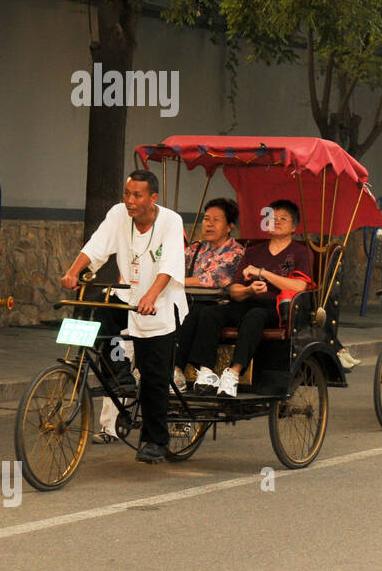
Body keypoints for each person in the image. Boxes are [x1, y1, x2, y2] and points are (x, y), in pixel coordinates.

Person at [61, 170, 187, 464]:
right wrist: (72, 272)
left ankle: (156, 440)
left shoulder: (170, 221)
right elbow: (96, 247)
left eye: (137, 195)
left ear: (153, 198)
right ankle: (119, 378)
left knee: (154, 374)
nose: (130, 201)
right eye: (127, 194)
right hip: (127, 297)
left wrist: (151, 296)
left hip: (161, 304)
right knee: (94, 314)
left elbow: (169, 266)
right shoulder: (118, 214)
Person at [182, 199, 313, 398]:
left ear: (294, 226)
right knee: (210, 313)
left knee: (255, 315)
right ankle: (206, 372)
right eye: (272, 218)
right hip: (247, 300)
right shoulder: (253, 251)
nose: (275, 222)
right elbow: (234, 290)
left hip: (277, 307)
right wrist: (249, 290)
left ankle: (233, 373)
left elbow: (299, 286)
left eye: (283, 219)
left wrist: (263, 273)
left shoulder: (300, 252)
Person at [172, 197, 246, 390]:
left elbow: (215, 279)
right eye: (206, 219)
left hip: (220, 304)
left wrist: (176, 281)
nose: (209, 224)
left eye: (216, 220)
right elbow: (173, 268)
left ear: (230, 226)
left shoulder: (236, 252)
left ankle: (191, 369)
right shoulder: (195, 249)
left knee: (198, 312)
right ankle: (168, 369)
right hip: (189, 300)